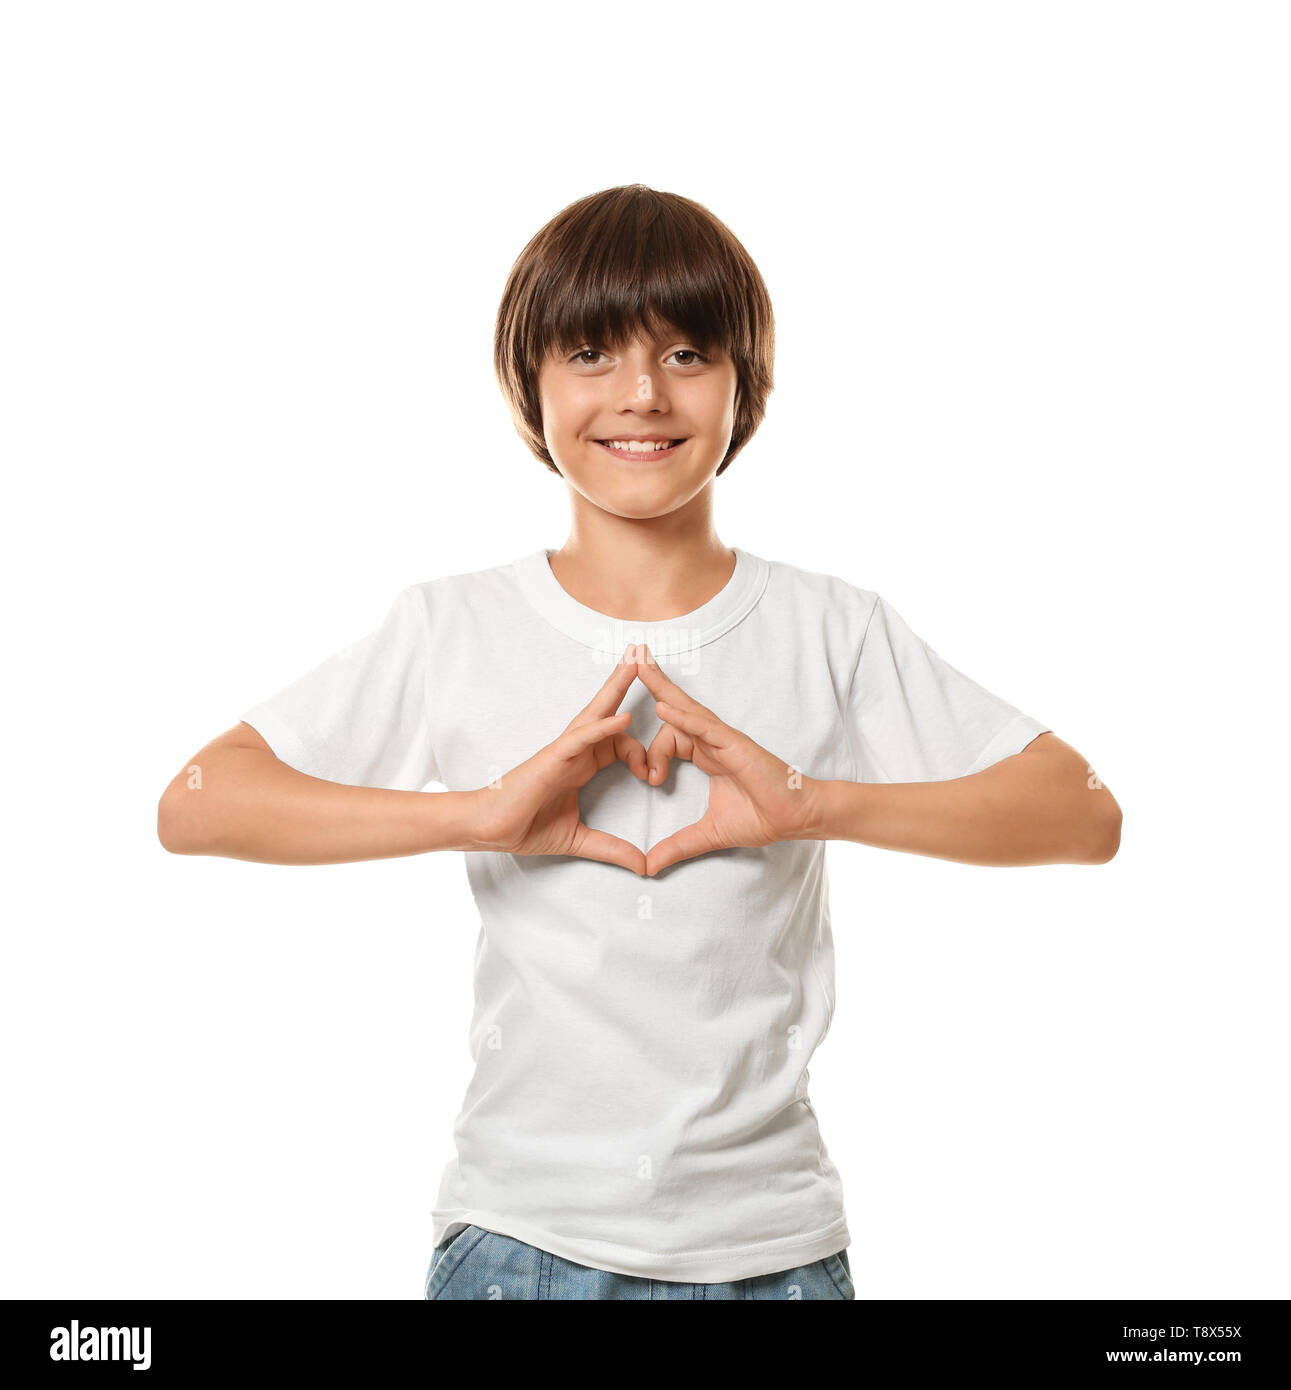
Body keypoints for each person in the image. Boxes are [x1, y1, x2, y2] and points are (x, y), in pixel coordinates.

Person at [157, 183, 1122, 1301]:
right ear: (530, 384)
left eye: (685, 353)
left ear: (744, 385)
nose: (640, 396)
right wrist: (477, 813)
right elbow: (198, 799)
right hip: (522, 1239)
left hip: (776, 1249)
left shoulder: (828, 624)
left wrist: (811, 804)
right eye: (588, 354)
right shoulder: (453, 623)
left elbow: (1080, 809)